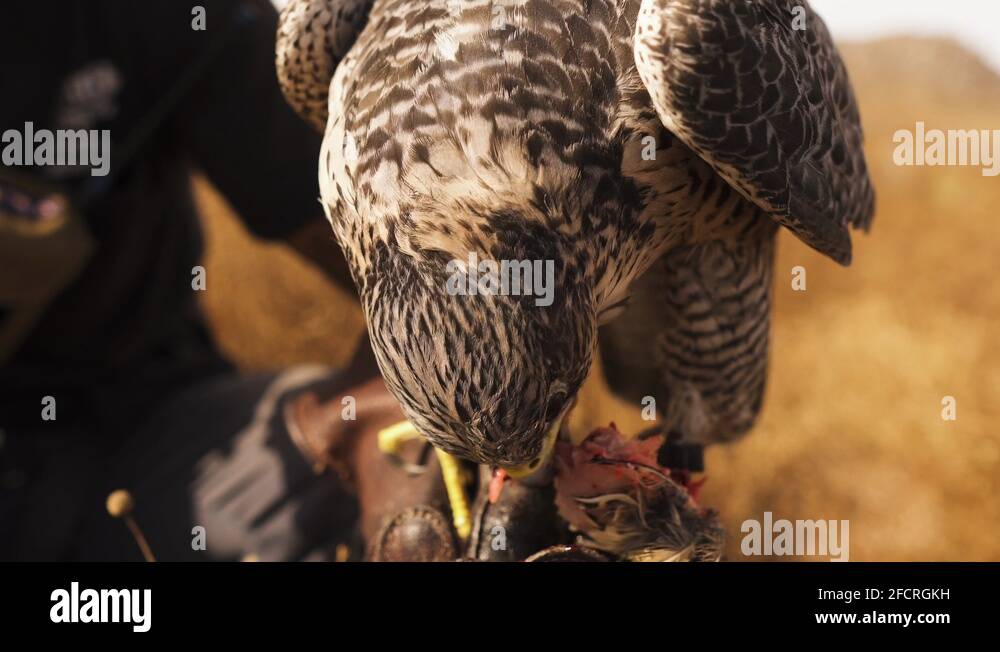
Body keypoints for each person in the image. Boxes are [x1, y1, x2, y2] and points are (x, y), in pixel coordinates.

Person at [0, 0, 391, 561]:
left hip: (149, 428)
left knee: (400, 452)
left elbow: (381, 262)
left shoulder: (170, 17)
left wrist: (404, 403)